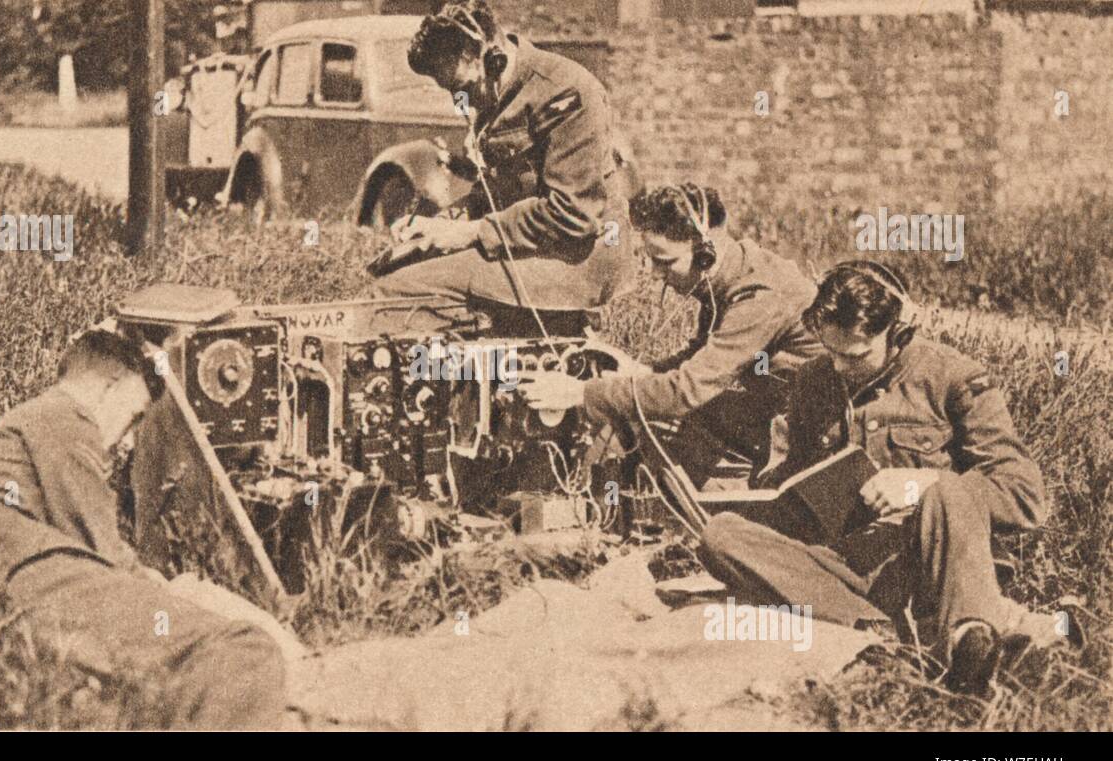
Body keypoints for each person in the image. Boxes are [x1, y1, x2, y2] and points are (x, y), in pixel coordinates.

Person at [696, 261, 1078, 695]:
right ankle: (896, 640)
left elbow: (1025, 495)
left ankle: (966, 637)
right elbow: (790, 482)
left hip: (932, 563)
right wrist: (774, 491)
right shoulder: (812, 380)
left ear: (899, 335)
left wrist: (919, 486)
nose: (839, 368)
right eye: (832, 352)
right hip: (845, 566)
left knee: (947, 490)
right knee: (721, 535)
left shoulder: (952, 376)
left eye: (855, 356)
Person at [0, 330, 286, 729]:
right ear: (108, 386)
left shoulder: (29, 423)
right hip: (15, 565)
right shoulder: (66, 417)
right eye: (134, 415)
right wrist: (180, 593)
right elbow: (106, 555)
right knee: (245, 652)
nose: (130, 438)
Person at [519, 183, 824, 490]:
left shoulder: (758, 296)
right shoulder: (731, 272)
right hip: (768, 406)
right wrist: (646, 372)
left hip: (804, 432)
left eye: (665, 262)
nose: (655, 274)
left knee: (660, 427)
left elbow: (687, 391)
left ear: (706, 252)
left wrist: (583, 394)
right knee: (648, 414)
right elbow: (702, 355)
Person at [364, 0, 631, 336]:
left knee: (396, 291)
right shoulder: (494, 91)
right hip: (529, 248)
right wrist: (447, 221)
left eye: (462, 88)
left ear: (493, 58)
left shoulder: (565, 92)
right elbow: (500, 188)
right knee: (399, 267)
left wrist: (469, 232)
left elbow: (573, 214)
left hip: (578, 262)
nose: (461, 101)